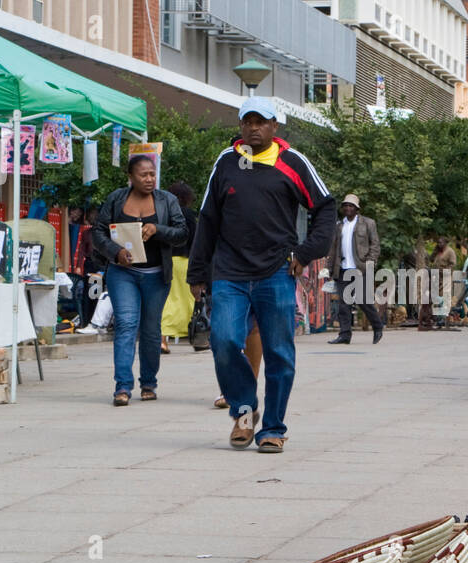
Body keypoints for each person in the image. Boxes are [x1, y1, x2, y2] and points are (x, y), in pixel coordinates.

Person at [187, 100, 336, 452]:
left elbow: (325, 208)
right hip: (229, 272)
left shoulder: (292, 162)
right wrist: (197, 272)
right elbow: (207, 218)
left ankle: (273, 428)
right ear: (240, 126)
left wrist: (304, 253)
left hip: (276, 271)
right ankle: (243, 410)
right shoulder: (226, 162)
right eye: (247, 121)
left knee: (279, 352)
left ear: (275, 127)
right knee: (223, 340)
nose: (253, 128)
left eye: (261, 122)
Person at [92, 156, 187, 405]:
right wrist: (115, 252)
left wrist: (158, 230)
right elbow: (98, 232)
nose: (149, 179)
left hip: (156, 275)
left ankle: (148, 383)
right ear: (131, 177)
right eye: (143, 175)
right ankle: (122, 387)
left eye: (152, 174)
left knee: (151, 329)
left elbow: (182, 233)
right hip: (123, 273)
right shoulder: (116, 199)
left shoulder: (168, 200)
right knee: (125, 324)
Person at [326, 193, 383, 346]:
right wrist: (329, 269)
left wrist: (370, 263)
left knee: (363, 301)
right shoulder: (339, 226)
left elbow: (375, 245)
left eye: (351, 206)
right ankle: (344, 335)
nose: (348, 208)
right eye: (345, 205)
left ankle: (377, 326)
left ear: (357, 208)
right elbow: (333, 249)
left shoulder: (368, 223)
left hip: (361, 269)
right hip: (343, 269)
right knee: (343, 305)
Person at [161, 181, 198, 353]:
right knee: (189, 300)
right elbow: (196, 240)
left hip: (167, 261)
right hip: (184, 261)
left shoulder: (164, 213)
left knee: (168, 300)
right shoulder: (188, 215)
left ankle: (161, 338)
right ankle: (198, 336)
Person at [431, 237, 458, 328]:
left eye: (441, 243)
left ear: (445, 243)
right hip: (437, 276)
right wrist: (435, 251)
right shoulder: (438, 252)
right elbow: (431, 259)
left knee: (445, 296)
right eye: (438, 243)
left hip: (445, 276)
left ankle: (444, 317)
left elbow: (453, 264)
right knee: (438, 297)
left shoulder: (450, 252)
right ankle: (438, 317)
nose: (439, 244)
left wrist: (446, 271)